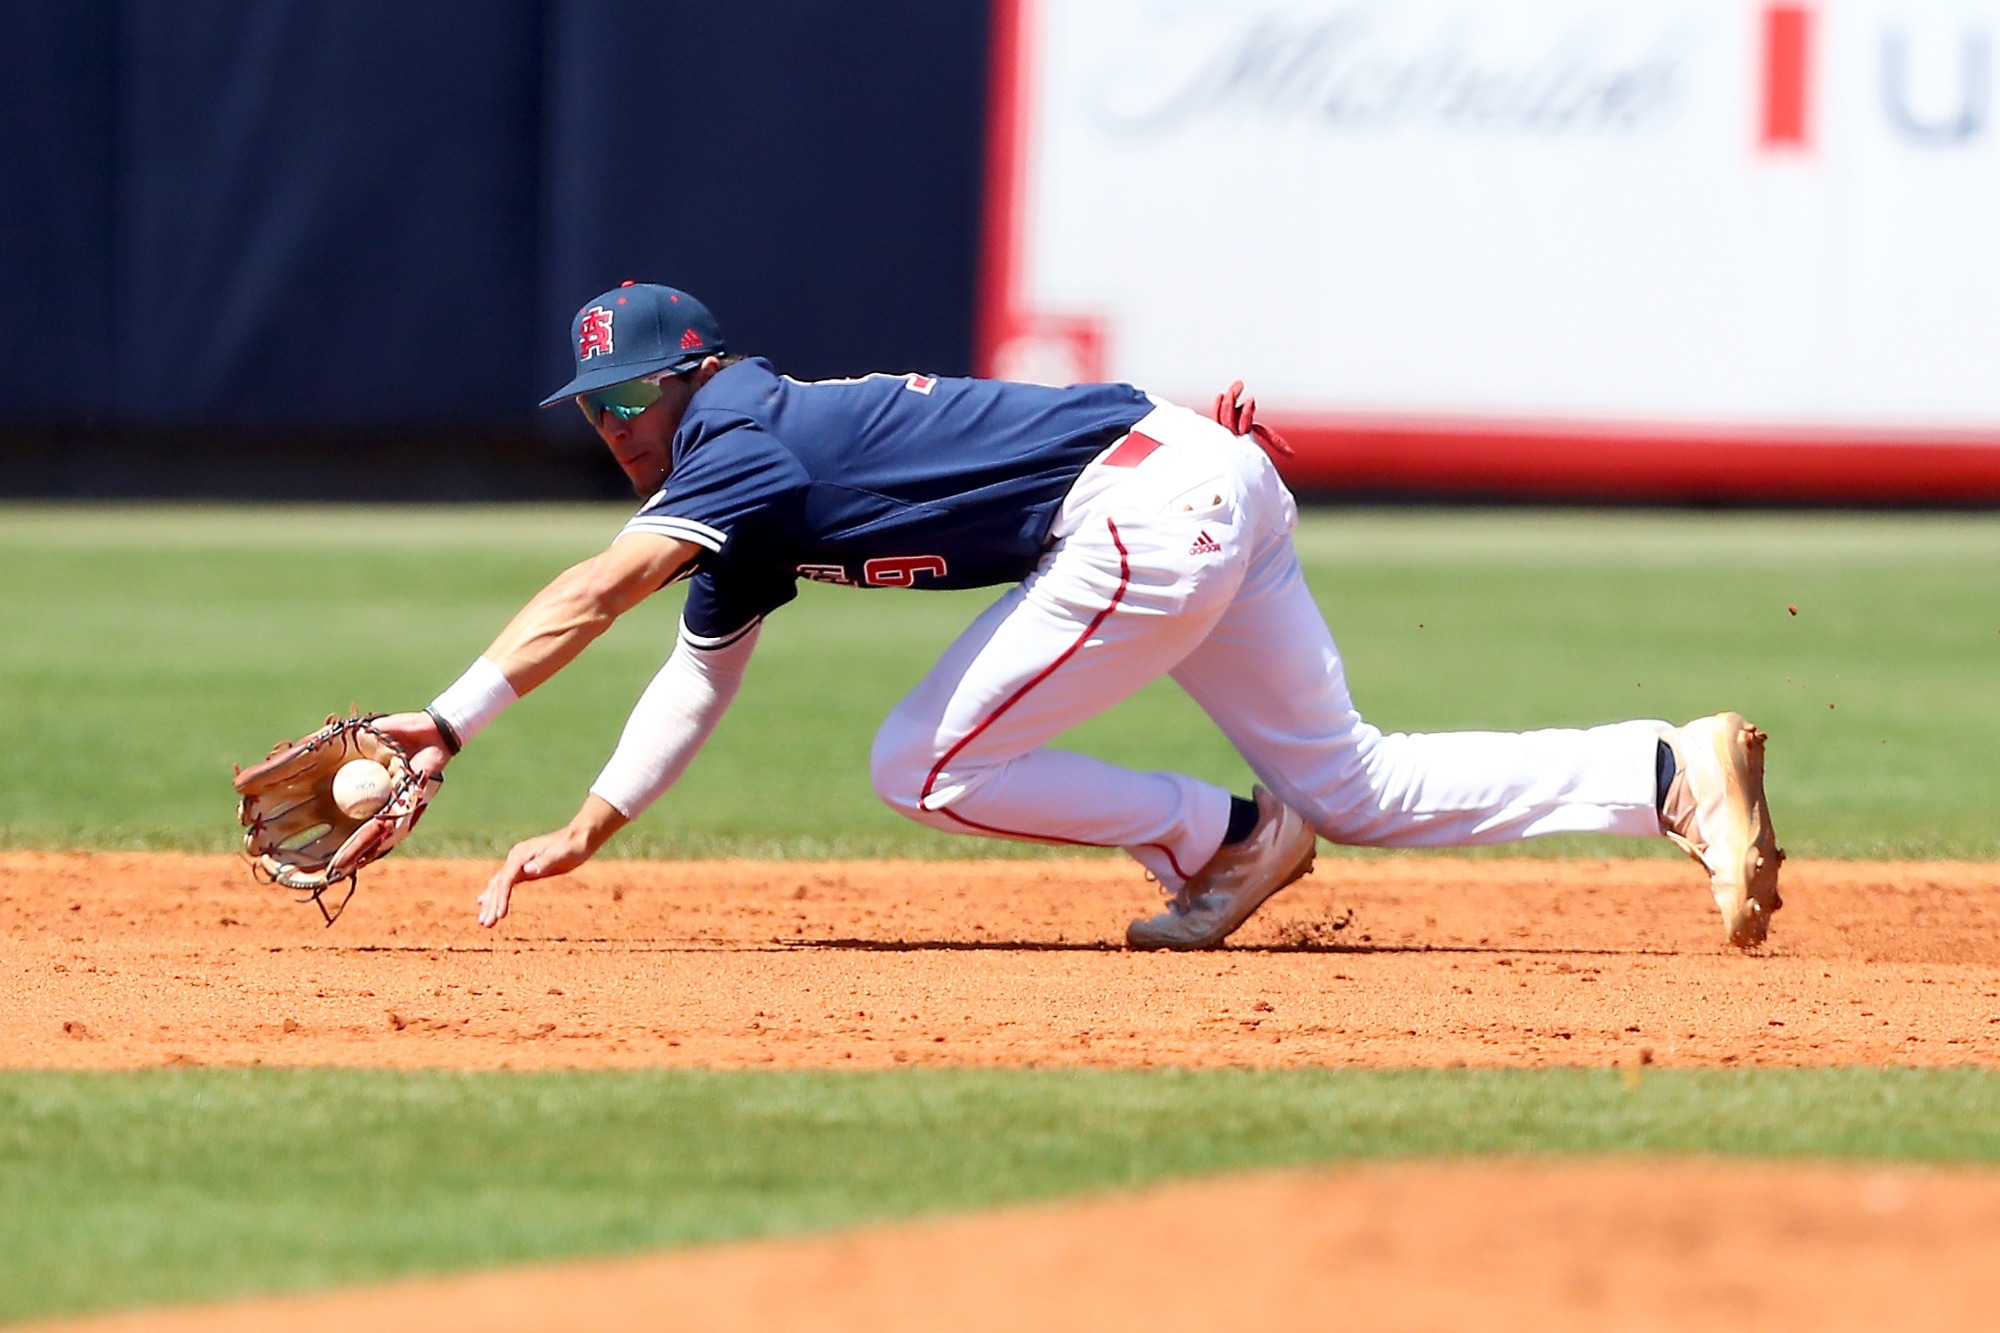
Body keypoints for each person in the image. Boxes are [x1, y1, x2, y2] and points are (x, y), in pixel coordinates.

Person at [371, 282, 1783, 950]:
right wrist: (592, 822)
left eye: (631, 399)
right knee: (1356, 783)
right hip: (1198, 480)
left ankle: (1223, 837)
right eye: (596, 409)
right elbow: (693, 674)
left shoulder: (739, 433)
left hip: (1148, 510)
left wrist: (449, 719)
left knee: (913, 764)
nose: (618, 427)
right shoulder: (740, 490)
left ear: (691, 376)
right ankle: (1668, 766)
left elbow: (599, 588)